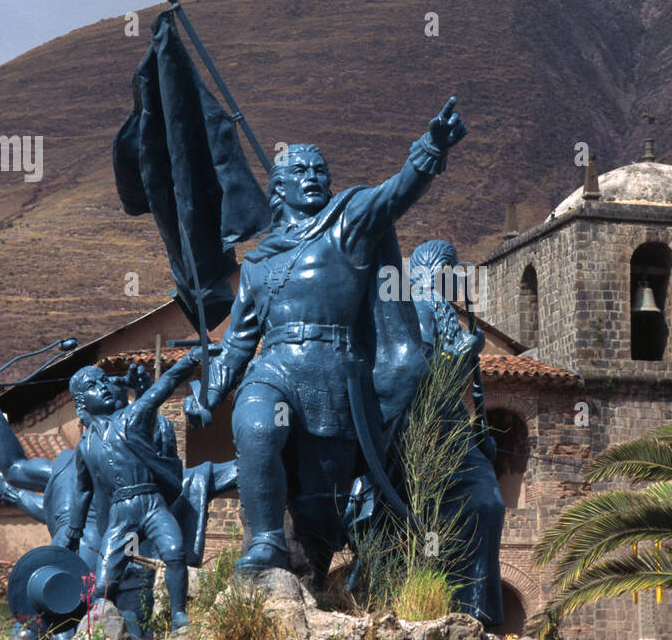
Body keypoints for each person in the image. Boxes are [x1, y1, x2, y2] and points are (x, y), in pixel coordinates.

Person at [185, 97, 468, 577]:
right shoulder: (257, 262)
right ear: (278, 188)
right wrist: (211, 391)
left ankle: (315, 567)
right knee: (256, 428)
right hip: (273, 367)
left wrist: (429, 149)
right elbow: (238, 341)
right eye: (300, 171)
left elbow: (395, 194)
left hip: (334, 369)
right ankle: (266, 544)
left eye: (319, 170)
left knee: (321, 507)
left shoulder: (348, 223)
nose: (313, 177)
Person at [64, 350, 207, 629]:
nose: (103, 388)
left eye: (104, 381)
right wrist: (73, 530)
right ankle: (95, 626)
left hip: (152, 502)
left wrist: (191, 360)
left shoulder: (132, 417)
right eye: (93, 386)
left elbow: (163, 386)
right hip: (120, 513)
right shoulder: (84, 447)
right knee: (104, 582)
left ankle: (178, 615)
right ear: (82, 403)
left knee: (174, 552)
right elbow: (83, 492)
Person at [407, 239, 504, 624]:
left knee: (489, 504)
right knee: (477, 505)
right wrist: (464, 353)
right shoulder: (418, 310)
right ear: (428, 272)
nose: (453, 279)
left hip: (455, 426)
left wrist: (481, 434)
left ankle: (477, 609)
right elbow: (416, 372)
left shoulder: (450, 316)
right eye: (446, 270)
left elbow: (466, 390)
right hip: (424, 426)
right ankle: (448, 604)